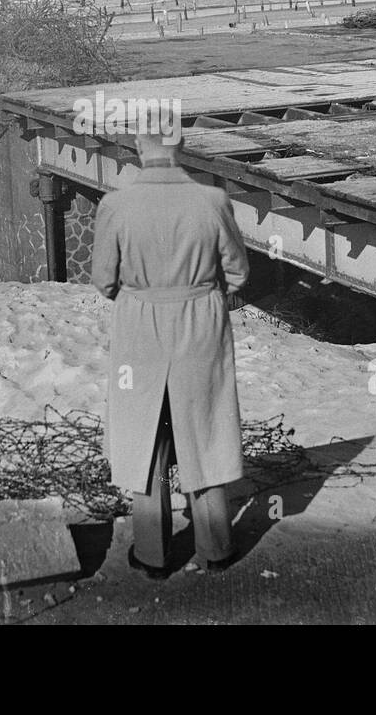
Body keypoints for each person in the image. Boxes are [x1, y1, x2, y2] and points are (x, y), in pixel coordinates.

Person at [90, 129, 250, 579]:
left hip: (140, 326)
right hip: (201, 324)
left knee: (147, 435)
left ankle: (153, 554)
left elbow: (103, 280)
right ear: (180, 148)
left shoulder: (116, 205)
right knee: (204, 430)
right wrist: (203, 293)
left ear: (140, 150)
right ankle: (216, 547)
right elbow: (237, 273)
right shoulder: (213, 201)